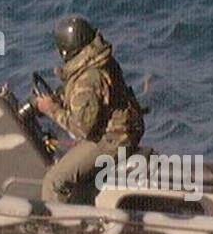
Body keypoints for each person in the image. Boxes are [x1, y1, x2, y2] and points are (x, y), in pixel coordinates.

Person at [33, 15, 144, 203]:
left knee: (54, 180)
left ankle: (56, 227)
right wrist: (59, 99)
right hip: (120, 132)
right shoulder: (97, 61)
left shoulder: (89, 77)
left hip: (113, 139)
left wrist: (50, 108)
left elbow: (80, 128)